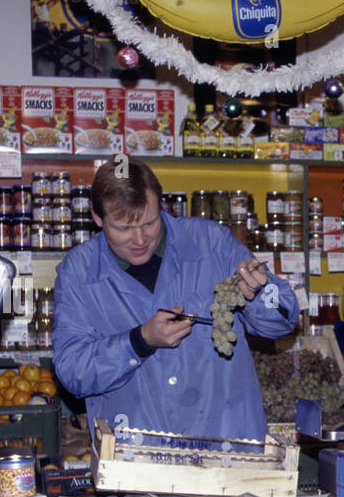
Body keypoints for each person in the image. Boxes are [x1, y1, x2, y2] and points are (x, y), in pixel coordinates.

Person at [52, 159, 299, 445]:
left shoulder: (211, 243)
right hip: (137, 459)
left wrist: (258, 294)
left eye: (150, 222)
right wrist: (139, 341)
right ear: (97, 217)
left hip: (228, 452)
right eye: (123, 229)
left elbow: (283, 321)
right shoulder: (78, 272)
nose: (140, 238)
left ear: (162, 206)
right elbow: (72, 372)